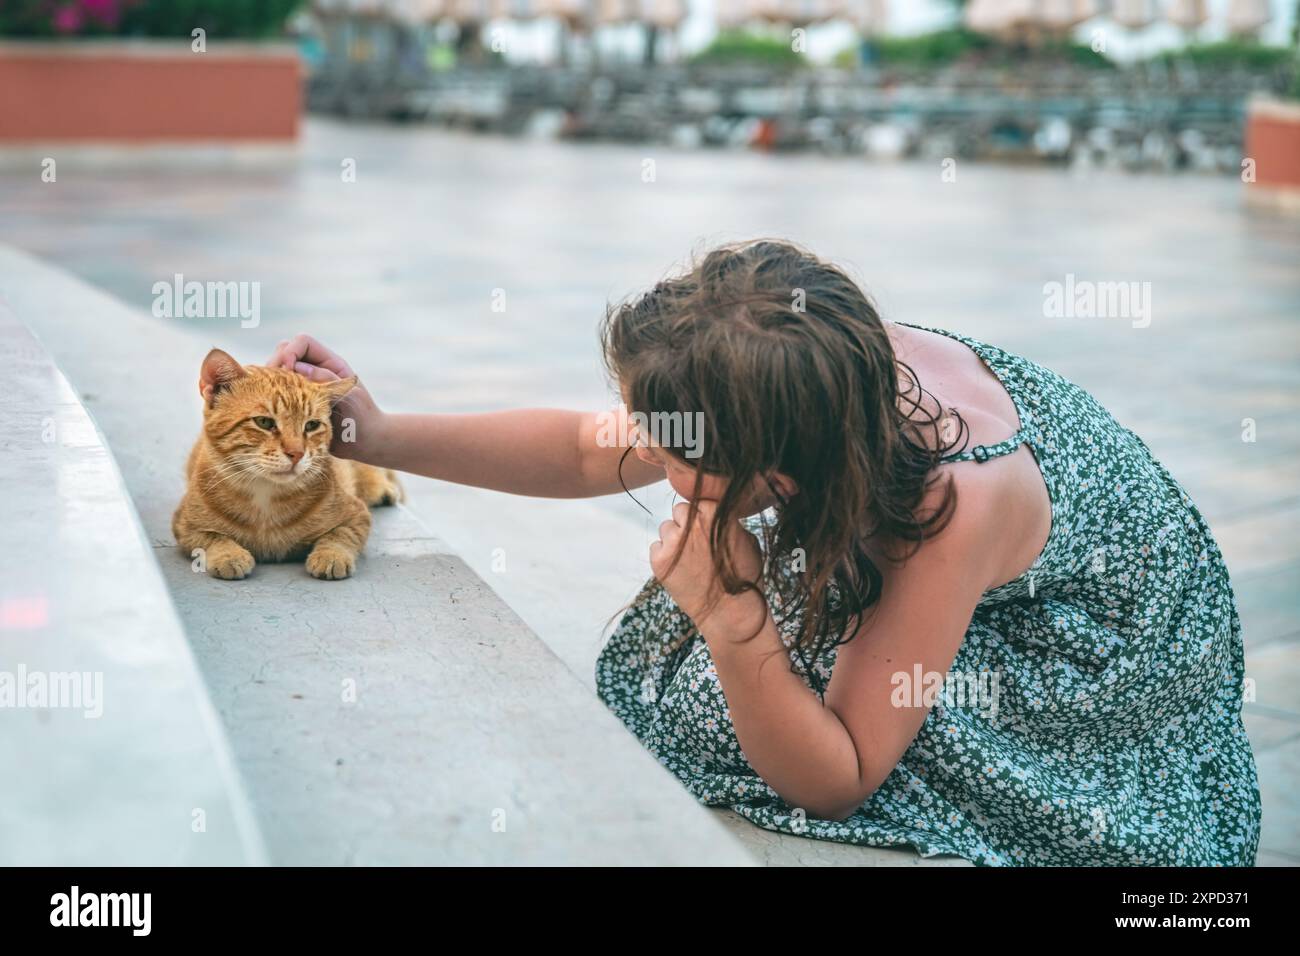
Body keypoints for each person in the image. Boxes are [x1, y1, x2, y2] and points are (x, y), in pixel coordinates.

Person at [269, 239, 1260, 866]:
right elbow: (586, 445)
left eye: (673, 453)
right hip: (929, 536)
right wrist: (377, 434)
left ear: (777, 478)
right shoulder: (808, 375)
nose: (645, 457)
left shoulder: (948, 502)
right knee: (719, 682)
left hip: (1105, 659)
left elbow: (843, 771)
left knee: (721, 702)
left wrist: (735, 623)